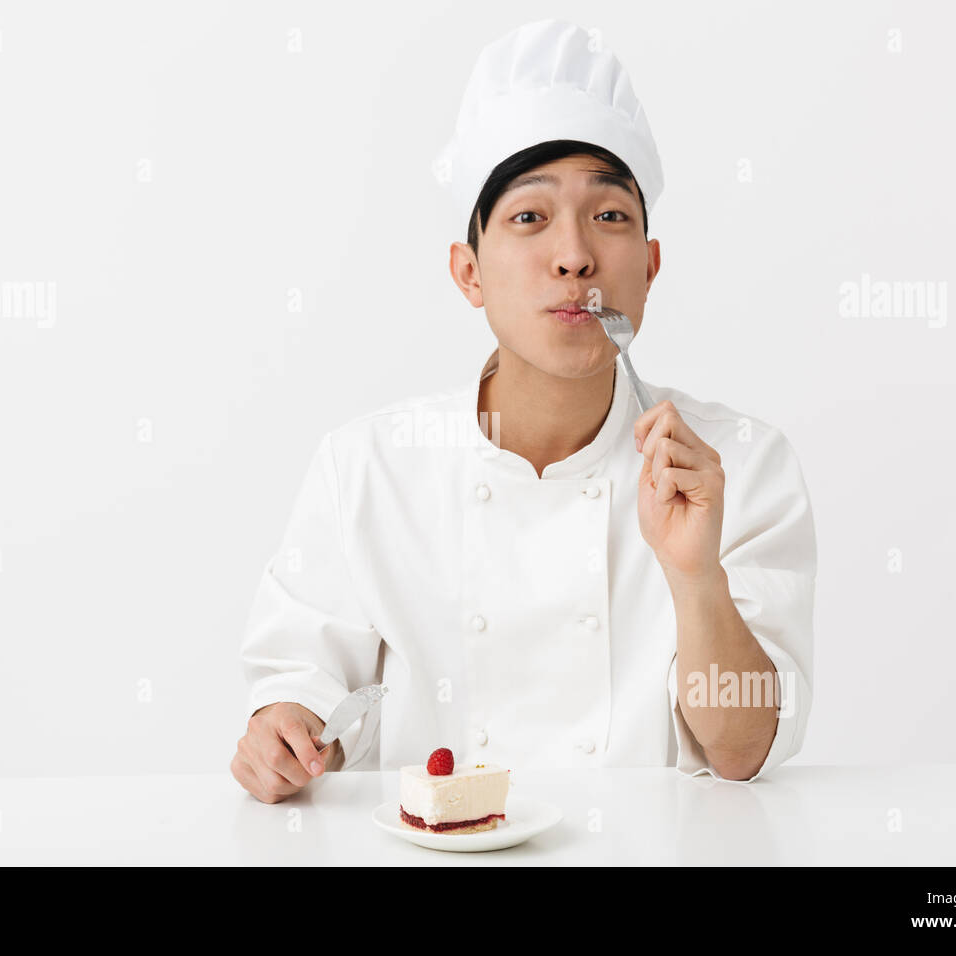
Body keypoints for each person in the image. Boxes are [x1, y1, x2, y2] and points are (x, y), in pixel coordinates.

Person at [232, 19, 816, 804]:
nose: (574, 255)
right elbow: (300, 678)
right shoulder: (367, 468)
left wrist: (695, 575)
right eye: (529, 217)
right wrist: (288, 729)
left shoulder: (737, 463)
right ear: (468, 273)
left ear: (648, 267)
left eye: (609, 216)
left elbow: (743, 751)